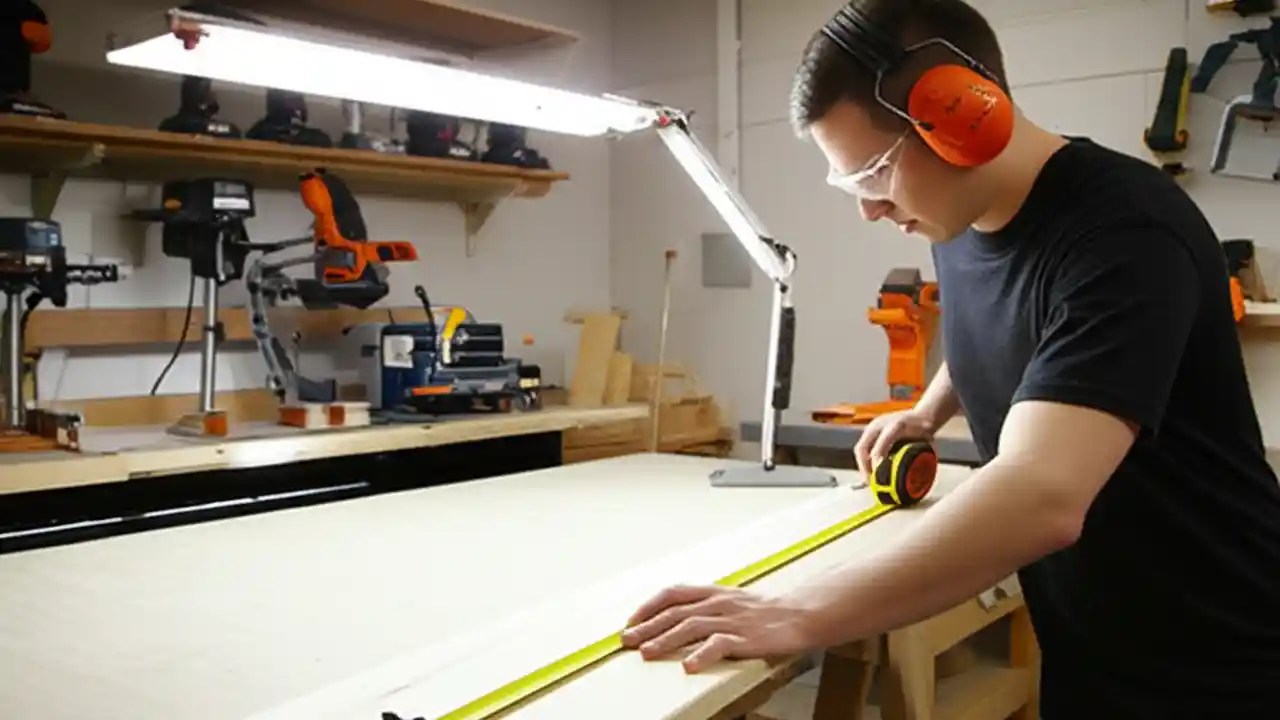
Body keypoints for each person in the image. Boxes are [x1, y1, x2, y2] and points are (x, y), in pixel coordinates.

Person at [620, 1, 1280, 717]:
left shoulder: (1126, 233)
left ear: (963, 117)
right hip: (1094, 647)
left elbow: (1043, 494)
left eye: (872, 171)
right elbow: (1012, 327)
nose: (868, 209)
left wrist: (800, 612)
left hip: (1219, 663)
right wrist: (928, 411)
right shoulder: (957, 218)